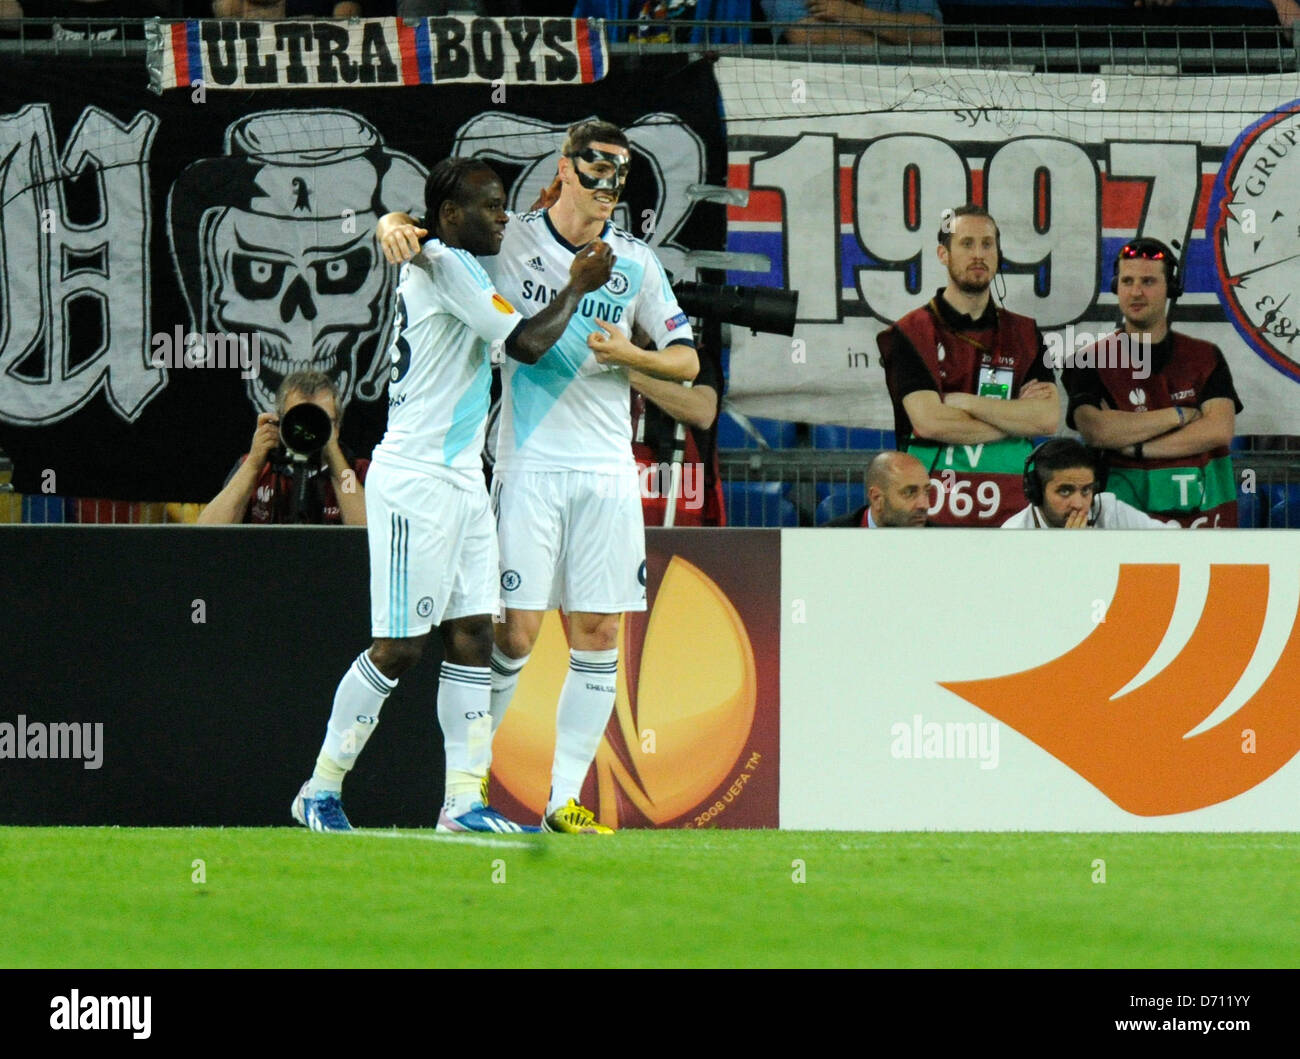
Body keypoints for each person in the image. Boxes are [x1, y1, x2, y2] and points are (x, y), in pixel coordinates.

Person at [377, 120, 698, 834]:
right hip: (528, 465)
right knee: (515, 635)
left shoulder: (637, 261)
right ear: (566, 169)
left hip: (609, 469)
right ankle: (466, 791)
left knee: (598, 630)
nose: (610, 189)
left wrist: (633, 356)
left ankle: (562, 802)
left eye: (621, 177)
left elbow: (687, 361)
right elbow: (435, 241)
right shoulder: (510, 235)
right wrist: (391, 221)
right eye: (598, 173)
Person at [292, 157, 614, 834]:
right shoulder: (447, 265)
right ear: (449, 216)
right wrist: (580, 285)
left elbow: (442, 233)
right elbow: (526, 342)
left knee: (472, 636)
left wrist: (397, 221)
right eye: (491, 206)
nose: (503, 215)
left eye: (505, 204)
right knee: (400, 646)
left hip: (464, 478)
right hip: (416, 480)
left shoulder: (450, 256)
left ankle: (463, 802)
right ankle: (318, 789)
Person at [877, 204, 1060, 527]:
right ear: (943, 254)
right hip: (931, 518)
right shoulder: (910, 332)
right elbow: (930, 421)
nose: (979, 254)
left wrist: (965, 403)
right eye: (966, 244)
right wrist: (1015, 418)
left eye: (987, 244)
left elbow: (1046, 419)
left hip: (1011, 520)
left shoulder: (1025, 333)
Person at [1063, 237, 1242, 527]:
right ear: (1115, 287)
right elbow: (1097, 430)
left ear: (1170, 288)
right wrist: (1180, 415)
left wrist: (1137, 447)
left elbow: (1219, 430)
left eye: (1148, 281)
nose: (1135, 292)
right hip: (1125, 526)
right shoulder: (1090, 360)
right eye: (1127, 280)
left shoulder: (1205, 356)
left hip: (1204, 522)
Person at [198, 371, 369, 526]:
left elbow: (367, 535)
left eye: (319, 420)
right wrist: (253, 464)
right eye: (299, 419)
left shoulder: (354, 471)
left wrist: (337, 465)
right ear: (279, 423)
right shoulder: (257, 471)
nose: (308, 430)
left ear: (337, 427)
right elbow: (207, 533)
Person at [631, 319, 725, 526]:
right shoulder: (589, 360)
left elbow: (702, 412)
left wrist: (628, 372)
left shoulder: (691, 357)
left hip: (675, 510)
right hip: (611, 506)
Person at [1001, 438, 1175, 529]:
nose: (1079, 504)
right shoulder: (1014, 534)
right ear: (1037, 491)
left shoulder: (1110, 512)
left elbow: (1175, 541)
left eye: (1086, 490)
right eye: (1065, 491)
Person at [763, 0, 942, 46]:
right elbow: (805, 35)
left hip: (896, 83)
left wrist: (850, 13)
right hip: (816, 85)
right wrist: (902, 44)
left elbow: (932, 34)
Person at [826, 450, 930, 527]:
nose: (924, 505)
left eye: (927, 492)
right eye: (909, 492)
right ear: (876, 498)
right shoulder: (831, 539)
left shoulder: (940, 539)